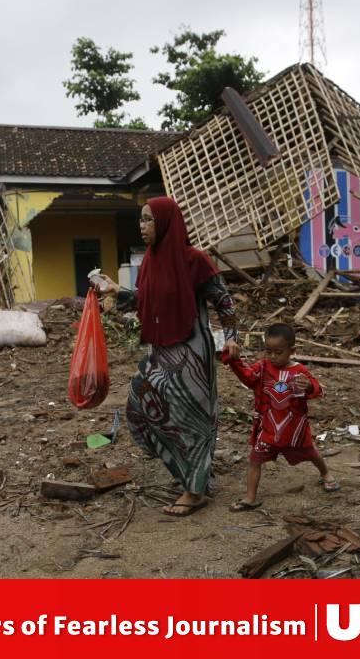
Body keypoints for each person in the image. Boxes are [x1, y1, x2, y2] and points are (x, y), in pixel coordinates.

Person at [91, 196, 238, 517]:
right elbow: (148, 302)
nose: (141, 226)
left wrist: (232, 339)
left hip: (192, 355)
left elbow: (224, 301)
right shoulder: (151, 261)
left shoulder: (194, 259)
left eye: (147, 220)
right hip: (161, 351)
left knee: (190, 421)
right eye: (140, 220)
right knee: (140, 407)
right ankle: (190, 473)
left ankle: (195, 491)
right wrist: (116, 292)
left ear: (166, 222)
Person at [221, 322, 338, 511]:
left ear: (292, 350)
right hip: (268, 427)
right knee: (255, 459)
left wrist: (308, 386)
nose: (273, 356)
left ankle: (325, 473)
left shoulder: (299, 371)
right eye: (269, 351)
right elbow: (249, 377)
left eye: (278, 352)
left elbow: (318, 389)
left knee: (311, 452)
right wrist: (234, 361)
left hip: (294, 429)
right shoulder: (263, 367)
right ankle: (250, 497)